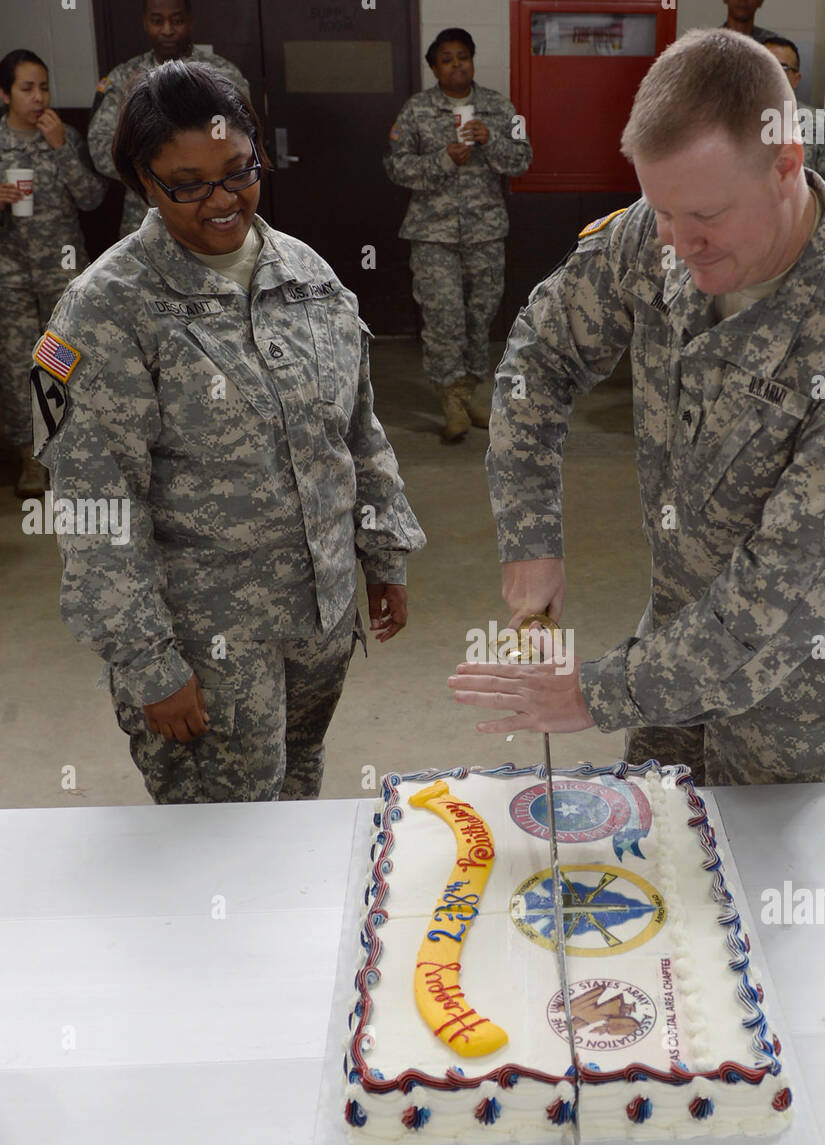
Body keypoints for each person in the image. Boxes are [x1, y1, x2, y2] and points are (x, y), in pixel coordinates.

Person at [449, 30, 825, 788]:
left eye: (706, 218)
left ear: (787, 164)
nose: (678, 244)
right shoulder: (663, 231)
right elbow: (539, 357)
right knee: (655, 870)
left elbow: (781, 614)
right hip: (668, 653)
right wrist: (531, 539)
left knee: (769, 895)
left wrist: (590, 694)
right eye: (660, 209)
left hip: (792, 704)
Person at [33, 61, 425, 804]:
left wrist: (383, 551)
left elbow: (358, 430)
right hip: (205, 646)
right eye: (188, 184)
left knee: (298, 805)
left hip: (319, 621)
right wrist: (150, 665)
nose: (222, 201)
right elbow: (96, 508)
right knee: (220, 849)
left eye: (240, 172)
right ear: (143, 179)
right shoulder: (103, 311)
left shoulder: (306, 274)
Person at [384, 27, 532, 444]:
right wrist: (443, 159)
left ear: (472, 61)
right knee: (444, 315)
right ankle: (450, 398)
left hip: (485, 232)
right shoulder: (416, 110)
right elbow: (396, 167)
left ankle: (468, 391)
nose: (456, 64)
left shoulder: (499, 108)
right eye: (446, 59)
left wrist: (494, 140)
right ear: (434, 67)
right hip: (433, 233)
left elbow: (523, 159)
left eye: (462, 56)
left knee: (479, 316)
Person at [0, 49, 105, 498]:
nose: (39, 97)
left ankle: (70, 451)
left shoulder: (65, 135)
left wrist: (62, 148)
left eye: (44, 86)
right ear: (4, 94)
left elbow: (92, 198)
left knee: (62, 362)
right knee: (17, 366)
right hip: (12, 273)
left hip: (64, 272)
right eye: (27, 88)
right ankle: (29, 461)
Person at [89, 0, 249, 240]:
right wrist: (164, 173)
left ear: (190, 21)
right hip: (145, 216)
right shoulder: (123, 78)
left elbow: (245, 139)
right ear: (145, 23)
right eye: (157, 21)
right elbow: (100, 147)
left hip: (213, 211)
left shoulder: (222, 74)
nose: (167, 30)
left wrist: (197, 174)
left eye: (177, 21)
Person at [763, 37, 825, 217]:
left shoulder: (818, 125)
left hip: (801, 235)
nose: (771, 73)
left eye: (782, 68)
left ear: (796, 79)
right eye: (765, 64)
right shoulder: (734, 122)